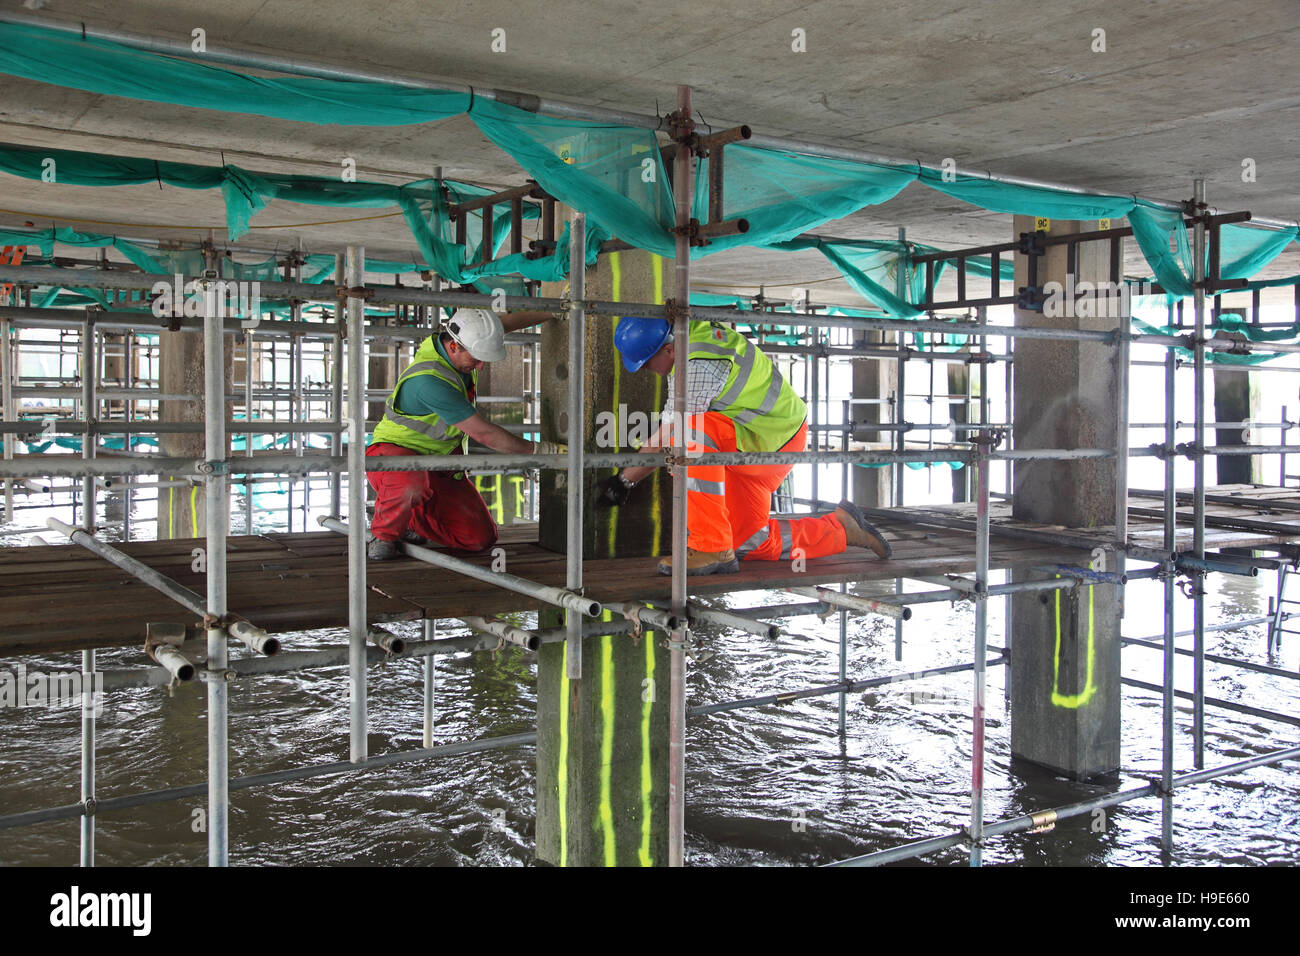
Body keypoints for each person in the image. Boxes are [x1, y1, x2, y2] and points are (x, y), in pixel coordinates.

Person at [597, 316, 891, 575]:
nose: (648, 370)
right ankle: (841, 529)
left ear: (669, 349)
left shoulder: (697, 365)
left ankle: (709, 547)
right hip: (757, 440)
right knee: (748, 542)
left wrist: (624, 481)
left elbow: (671, 434)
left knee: (687, 437)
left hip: (770, 444)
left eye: (648, 363)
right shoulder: (689, 336)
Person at [365, 307, 560, 560]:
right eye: (477, 358)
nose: (480, 365)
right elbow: (485, 434)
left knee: (479, 538)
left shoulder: (453, 341)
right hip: (394, 458)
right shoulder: (430, 382)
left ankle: (409, 520)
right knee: (410, 484)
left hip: (438, 464)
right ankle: (383, 534)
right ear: (454, 346)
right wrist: (544, 452)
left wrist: (551, 311)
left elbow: (503, 325)